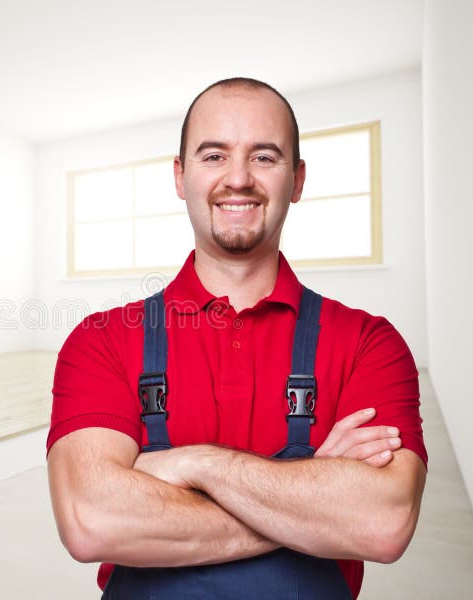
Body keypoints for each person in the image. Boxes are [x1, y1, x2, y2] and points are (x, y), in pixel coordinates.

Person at [46, 77, 427, 599]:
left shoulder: (368, 343)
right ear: (181, 176)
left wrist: (194, 464)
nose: (239, 178)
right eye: (214, 156)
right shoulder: (103, 341)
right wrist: (310, 495)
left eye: (265, 157)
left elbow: (383, 522)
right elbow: (91, 518)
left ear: (297, 179)